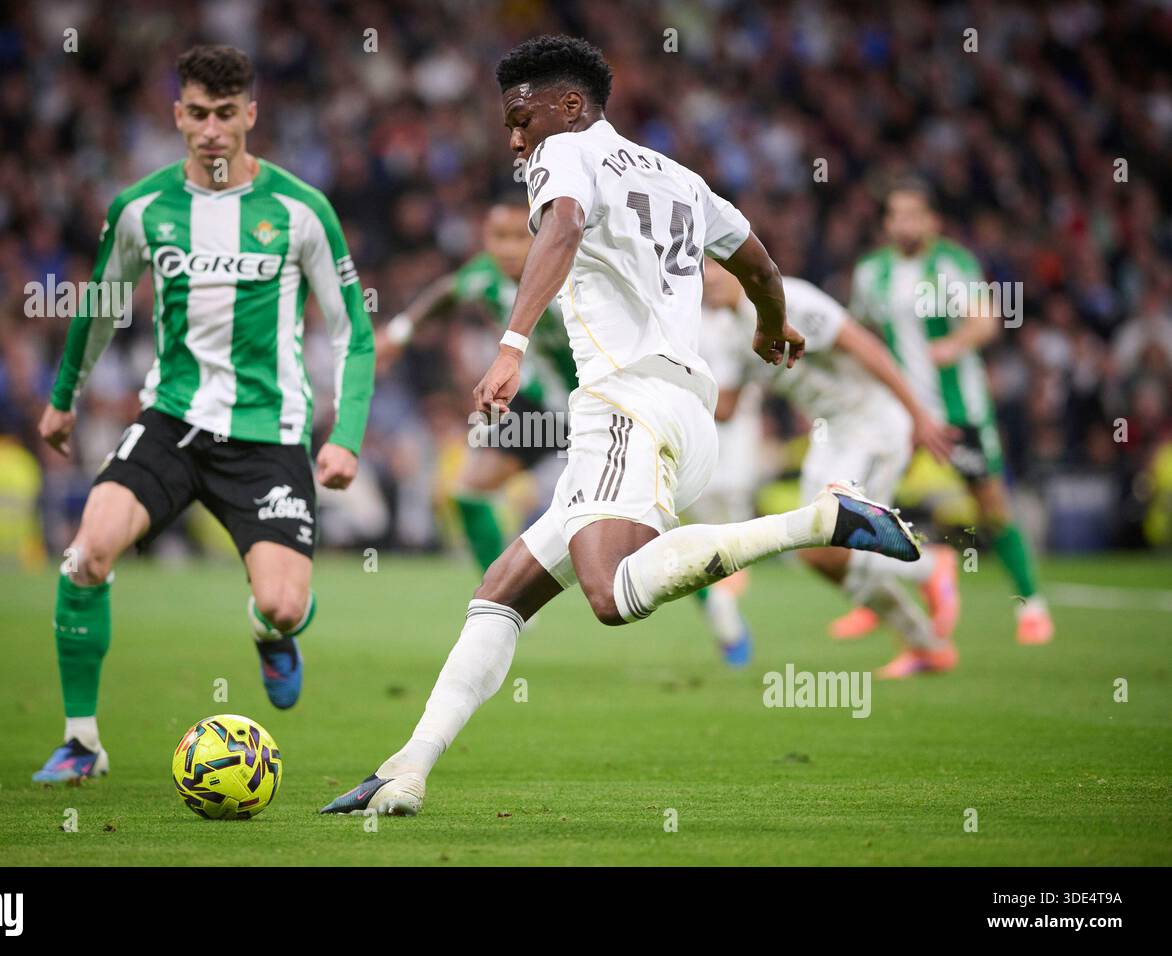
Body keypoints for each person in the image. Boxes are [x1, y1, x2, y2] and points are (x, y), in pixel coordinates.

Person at [322, 35, 921, 816]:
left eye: (520, 117)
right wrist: (770, 327)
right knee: (500, 595)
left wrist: (508, 345)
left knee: (610, 596)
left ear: (568, 107)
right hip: (682, 413)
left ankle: (821, 518)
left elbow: (562, 227)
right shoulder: (680, 177)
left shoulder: (563, 155)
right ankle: (408, 768)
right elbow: (761, 269)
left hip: (624, 406)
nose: (514, 138)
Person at [32, 45, 374, 782]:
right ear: (177, 115)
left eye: (226, 114)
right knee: (88, 552)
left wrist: (345, 436)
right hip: (173, 421)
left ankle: (267, 632)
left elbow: (354, 331)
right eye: (198, 114)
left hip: (268, 435)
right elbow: (99, 308)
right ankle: (82, 742)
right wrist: (63, 400)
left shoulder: (300, 209)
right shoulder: (141, 209)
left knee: (285, 605)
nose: (212, 129)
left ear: (250, 114)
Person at [701, 263, 961, 678]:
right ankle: (926, 644)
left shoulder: (794, 300)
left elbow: (865, 347)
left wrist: (919, 416)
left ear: (739, 269)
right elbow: (726, 409)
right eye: (699, 272)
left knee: (831, 543)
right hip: (831, 438)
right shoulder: (728, 334)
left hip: (872, 425)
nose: (706, 280)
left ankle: (931, 568)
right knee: (814, 554)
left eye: (714, 269)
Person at [841, 182, 1053, 645]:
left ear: (933, 220)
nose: (906, 224)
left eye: (915, 214)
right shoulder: (870, 272)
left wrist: (954, 345)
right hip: (896, 412)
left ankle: (1031, 606)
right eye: (897, 215)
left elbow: (985, 320)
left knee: (991, 506)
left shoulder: (952, 263)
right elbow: (859, 335)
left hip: (958, 412)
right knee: (866, 500)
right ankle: (877, 599)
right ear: (885, 224)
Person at [376, 201, 576, 572]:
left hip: (596, 405)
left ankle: (715, 607)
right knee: (467, 494)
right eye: (499, 237)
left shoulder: (576, 276)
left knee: (639, 516)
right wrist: (398, 333)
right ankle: (501, 601)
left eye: (521, 237)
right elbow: (448, 293)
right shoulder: (487, 274)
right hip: (540, 408)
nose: (509, 249)